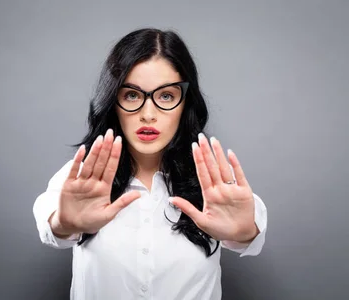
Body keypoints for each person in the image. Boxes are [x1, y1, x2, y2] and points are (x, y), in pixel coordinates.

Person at [32, 28, 268, 300]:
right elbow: (49, 217)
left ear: (185, 103)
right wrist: (63, 222)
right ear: (114, 102)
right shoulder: (84, 176)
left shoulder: (212, 181)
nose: (148, 114)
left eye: (166, 96)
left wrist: (245, 231)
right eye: (132, 95)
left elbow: (250, 223)